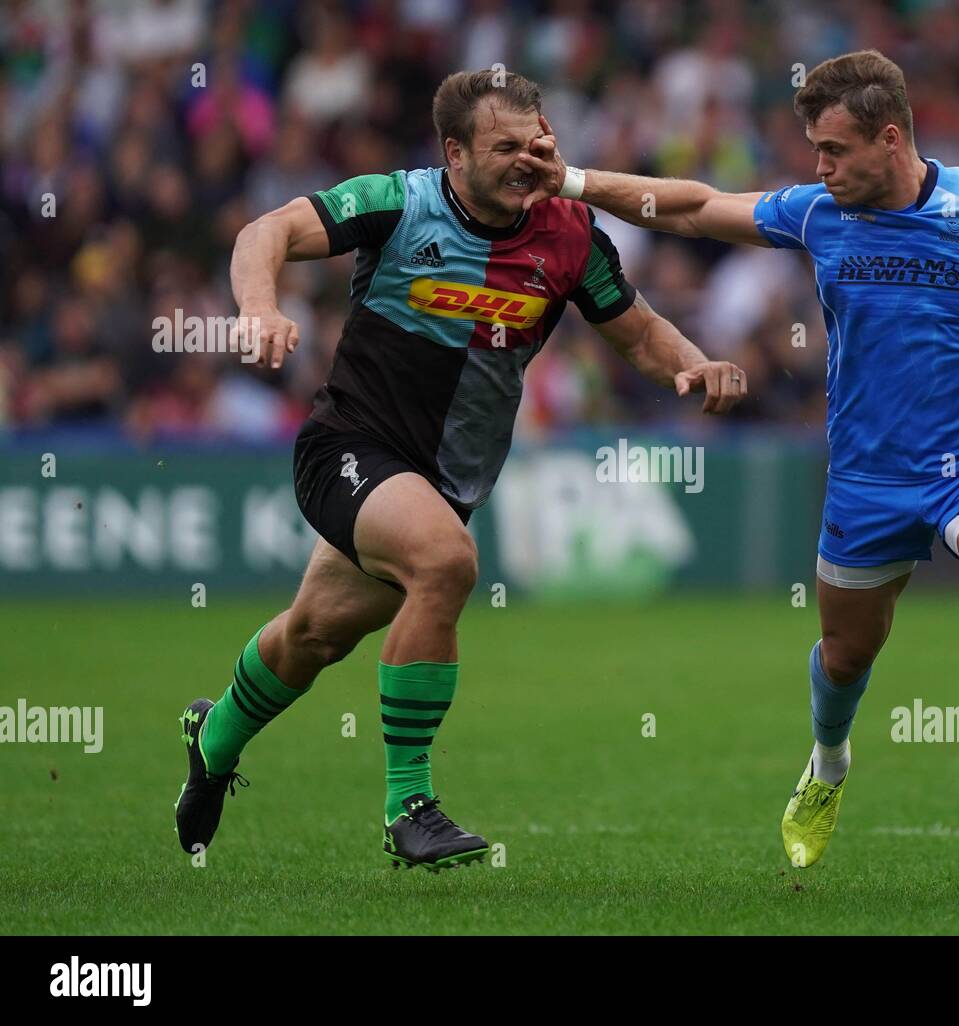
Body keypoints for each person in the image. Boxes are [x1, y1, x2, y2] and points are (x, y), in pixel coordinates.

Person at [521, 49, 959, 880]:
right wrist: (575, 182)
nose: (819, 166)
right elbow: (697, 207)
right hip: (866, 477)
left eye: (834, 151)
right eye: (814, 150)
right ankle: (828, 766)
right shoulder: (817, 212)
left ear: (890, 139)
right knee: (847, 657)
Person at [174, 69, 747, 871]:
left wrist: (695, 365)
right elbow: (261, 234)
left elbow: (641, 334)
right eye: (505, 147)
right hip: (350, 445)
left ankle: (216, 736)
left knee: (311, 636)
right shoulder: (399, 203)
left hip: (447, 481)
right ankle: (409, 806)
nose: (527, 161)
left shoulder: (570, 234)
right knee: (445, 564)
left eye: (537, 144)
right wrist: (261, 309)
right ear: (454, 152)